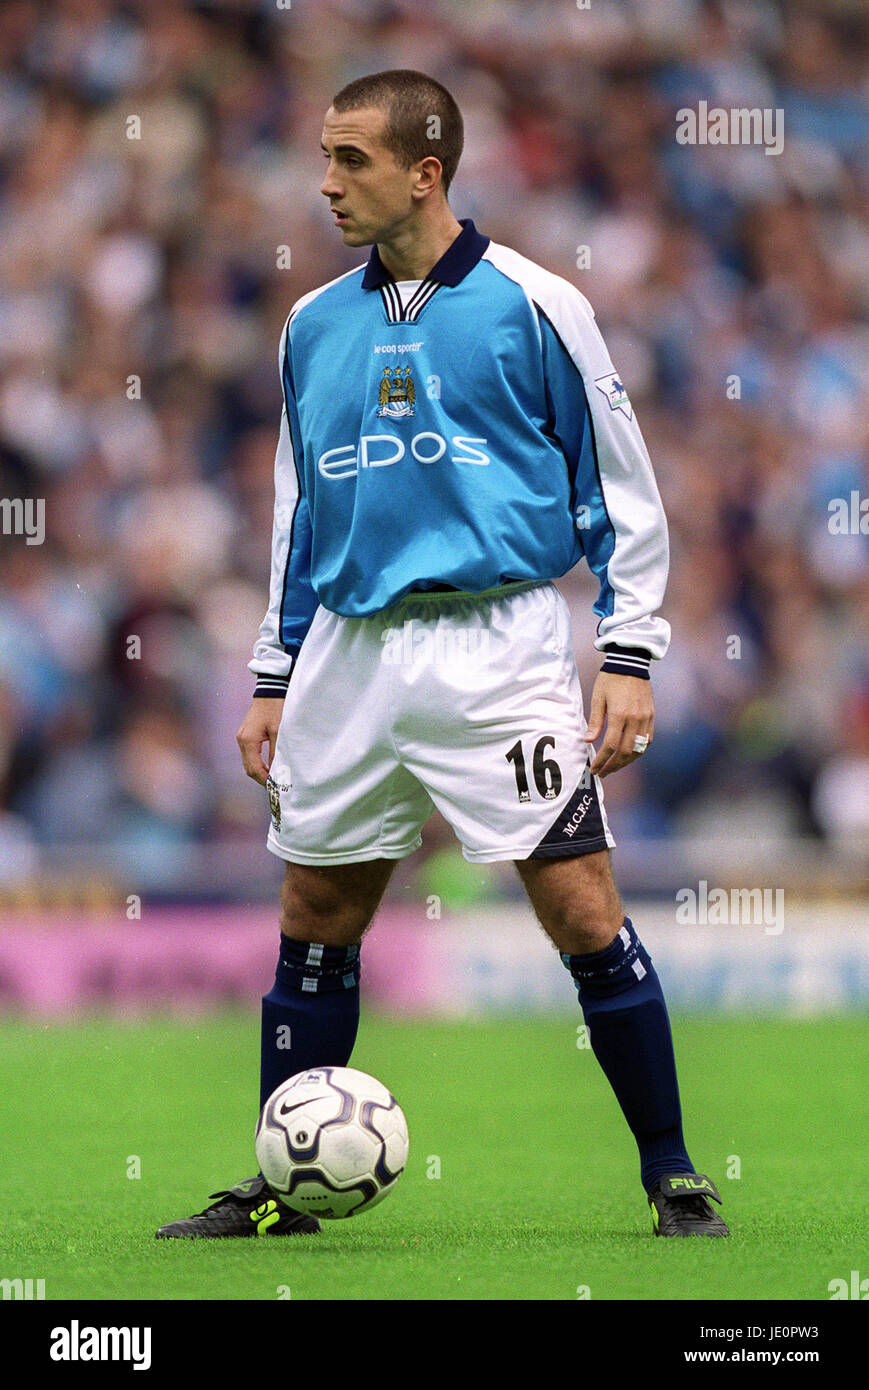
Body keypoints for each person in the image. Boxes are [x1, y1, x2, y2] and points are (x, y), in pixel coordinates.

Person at [156, 69, 728, 1240]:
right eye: (321, 157)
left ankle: (671, 1174)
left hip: (498, 645)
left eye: (349, 161)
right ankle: (283, 1186)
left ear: (426, 172)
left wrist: (627, 651)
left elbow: (620, 485)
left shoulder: (535, 301)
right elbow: (296, 514)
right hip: (352, 654)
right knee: (316, 906)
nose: (325, 183)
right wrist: (275, 671)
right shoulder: (310, 324)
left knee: (577, 902)